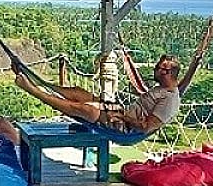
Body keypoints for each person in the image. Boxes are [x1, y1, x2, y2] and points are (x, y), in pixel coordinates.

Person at [13, 54, 183, 135]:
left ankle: (32, 89)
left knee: (86, 109)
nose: (154, 70)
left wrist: (123, 118)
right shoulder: (161, 88)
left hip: (125, 127)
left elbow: (146, 127)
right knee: (79, 93)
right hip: (121, 112)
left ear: (167, 72)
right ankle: (41, 83)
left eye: (158, 68)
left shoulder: (169, 99)